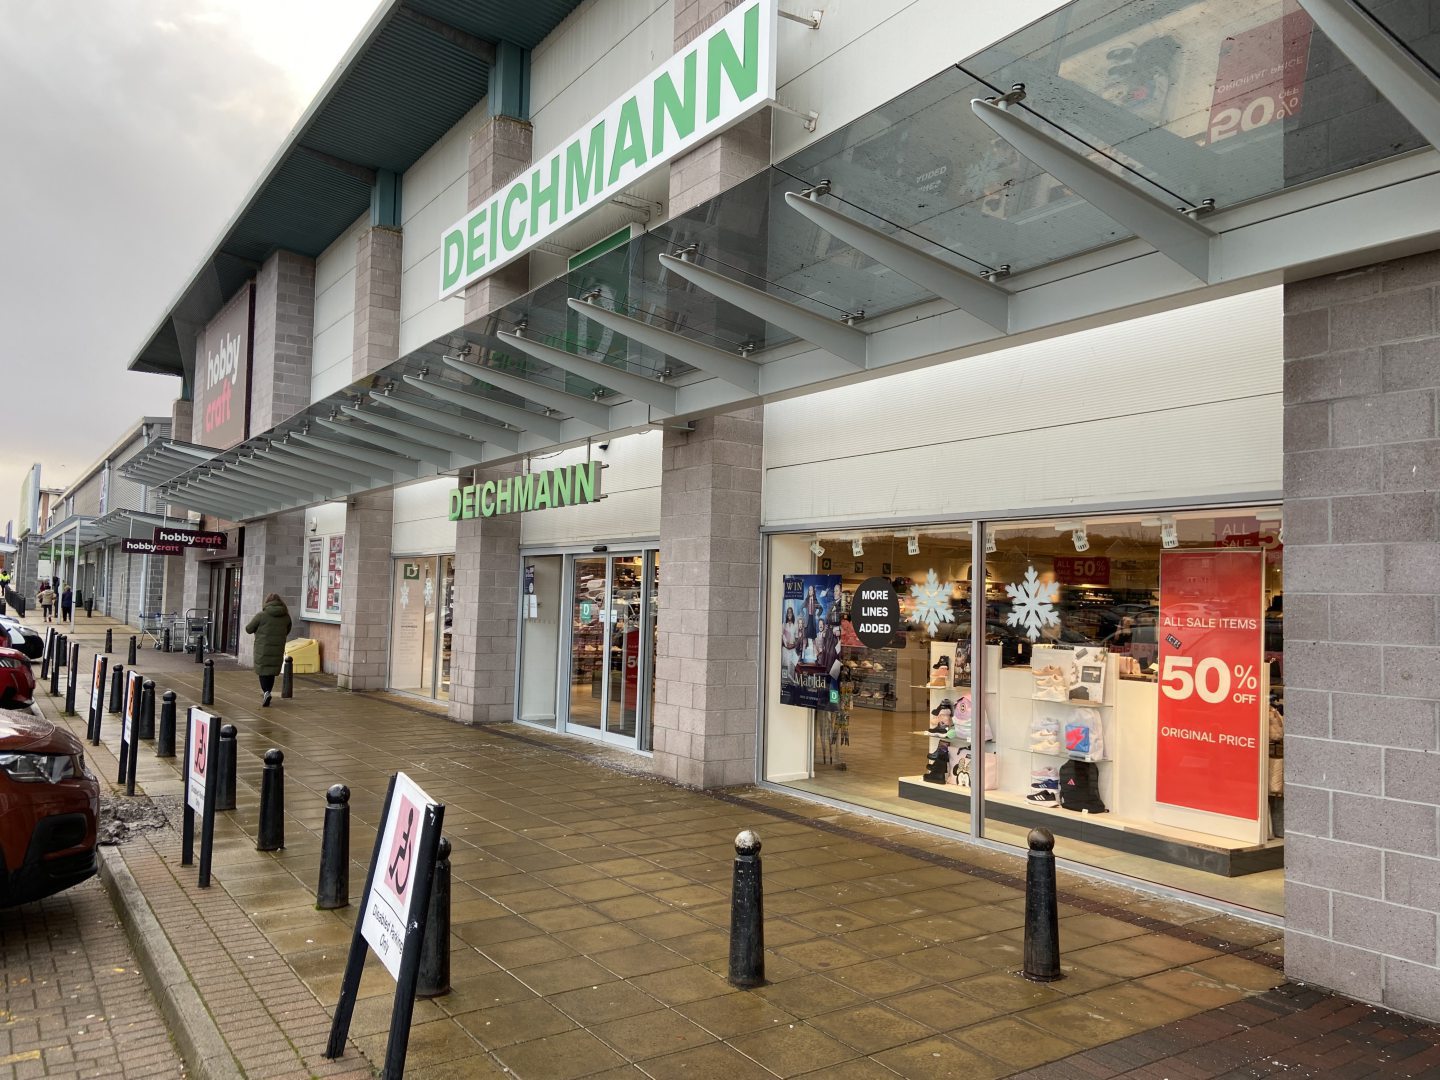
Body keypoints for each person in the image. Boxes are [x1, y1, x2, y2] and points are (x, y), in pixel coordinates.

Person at [244, 593, 292, 707]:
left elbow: (248, 629)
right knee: (271, 671)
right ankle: (268, 692)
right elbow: (287, 630)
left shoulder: (262, 615)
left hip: (263, 648)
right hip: (277, 648)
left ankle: (266, 692)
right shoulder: (286, 617)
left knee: (263, 671)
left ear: (267, 602)